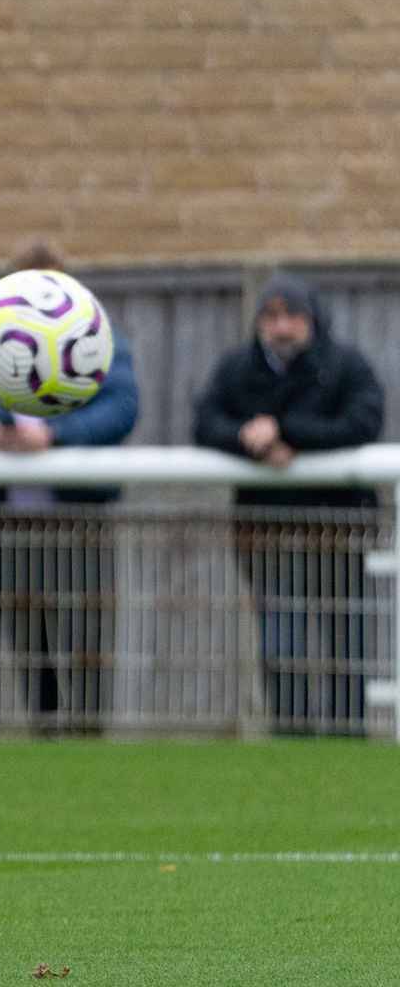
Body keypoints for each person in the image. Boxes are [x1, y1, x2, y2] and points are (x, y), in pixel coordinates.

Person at [0, 243, 139, 734]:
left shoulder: (98, 336)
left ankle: (88, 732)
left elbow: (122, 404)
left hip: (79, 516)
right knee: (26, 631)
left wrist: (56, 436)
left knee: (87, 630)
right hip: (7, 517)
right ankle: (41, 728)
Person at [193, 273, 384, 735]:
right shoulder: (238, 368)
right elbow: (205, 422)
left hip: (340, 529)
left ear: (312, 320)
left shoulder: (345, 365)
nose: (282, 327)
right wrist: (247, 440)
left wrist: (287, 432)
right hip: (267, 528)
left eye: (292, 316)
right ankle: (290, 736)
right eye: (272, 316)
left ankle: (347, 736)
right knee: (282, 639)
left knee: (346, 638)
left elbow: (363, 422)